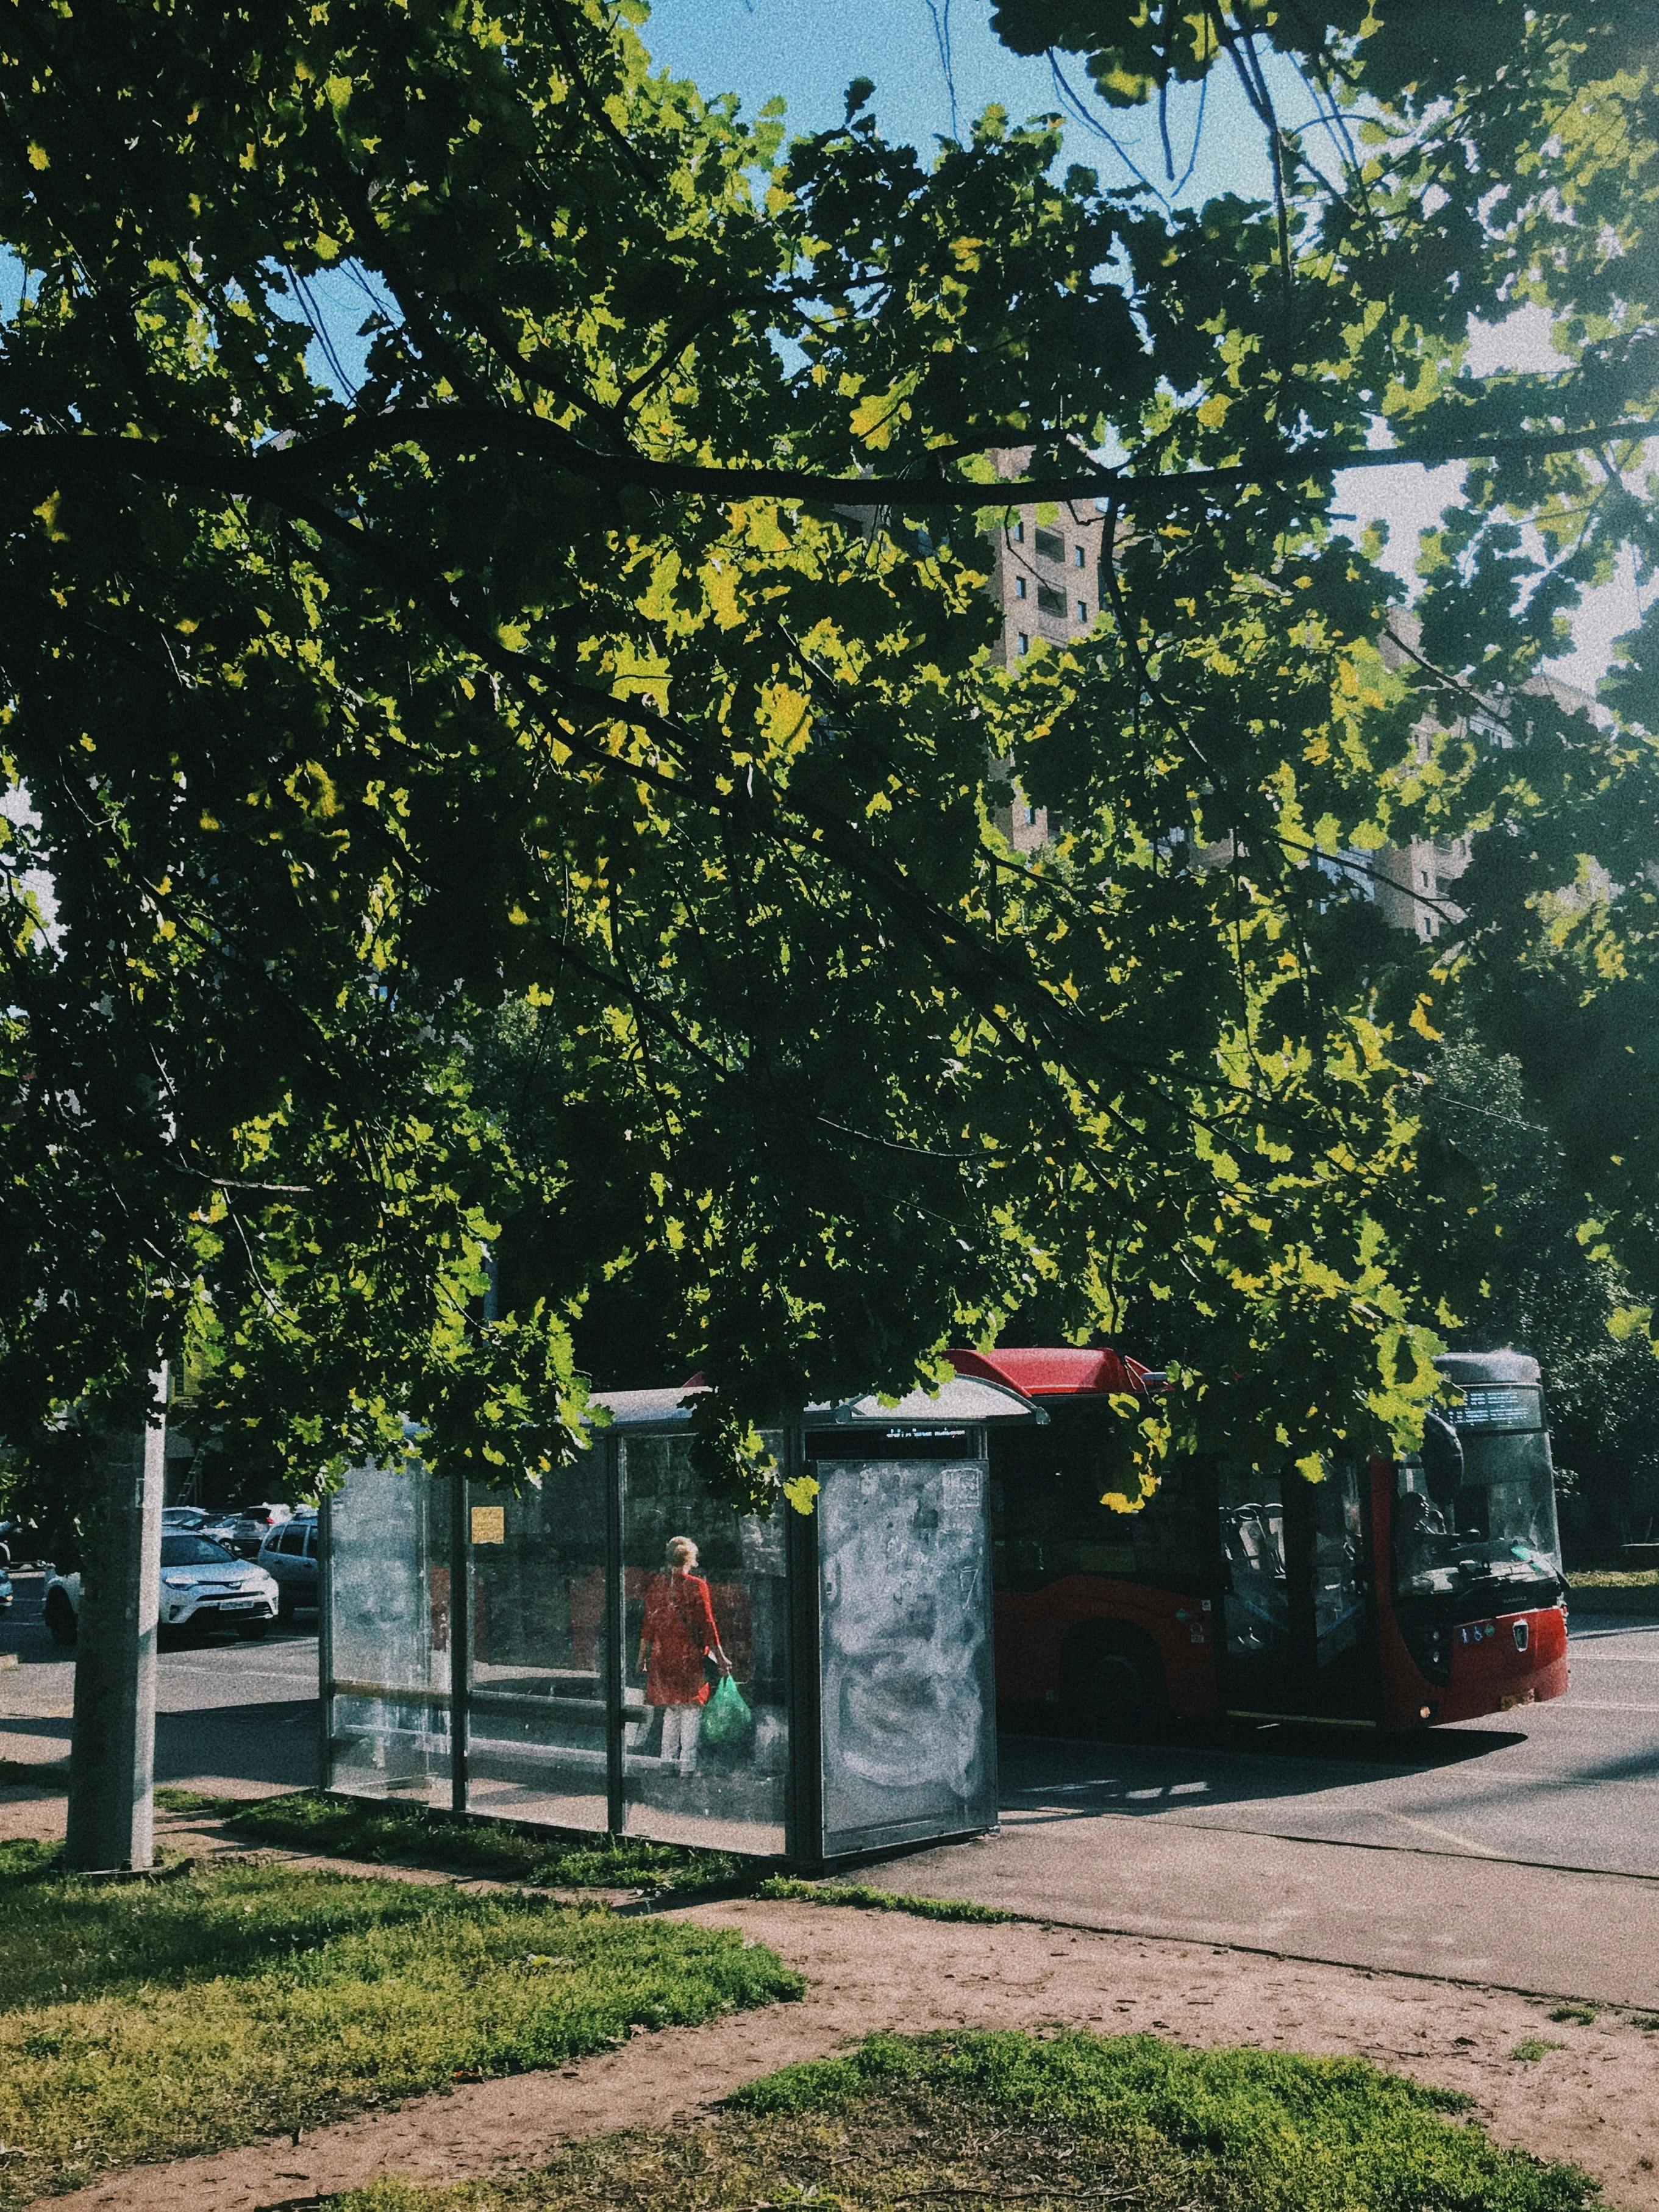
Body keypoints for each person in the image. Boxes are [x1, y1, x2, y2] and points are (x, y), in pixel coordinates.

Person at [637, 1535, 730, 1775]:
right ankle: (687, 1766)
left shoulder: (657, 1586)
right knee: (691, 1710)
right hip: (688, 1659)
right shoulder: (697, 1586)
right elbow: (708, 1625)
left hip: (662, 1657)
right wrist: (721, 1658)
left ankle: (666, 1763)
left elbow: (648, 1626)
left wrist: (642, 1657)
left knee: (671, 1711)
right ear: (691, 1560)